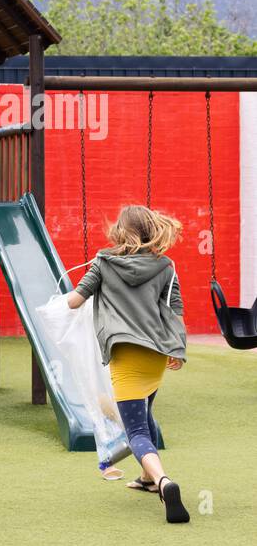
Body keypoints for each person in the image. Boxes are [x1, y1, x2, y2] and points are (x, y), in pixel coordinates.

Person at [66, 205, 189, 523]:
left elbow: (74, 301)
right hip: (157, 354)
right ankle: (148, 479)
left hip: (125, 354)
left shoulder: (103, 263)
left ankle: (163, 481)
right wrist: (178, 348)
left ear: (119, 231)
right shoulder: (165, 266)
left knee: (135, 430)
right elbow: (175, 309)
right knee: (144, 414)